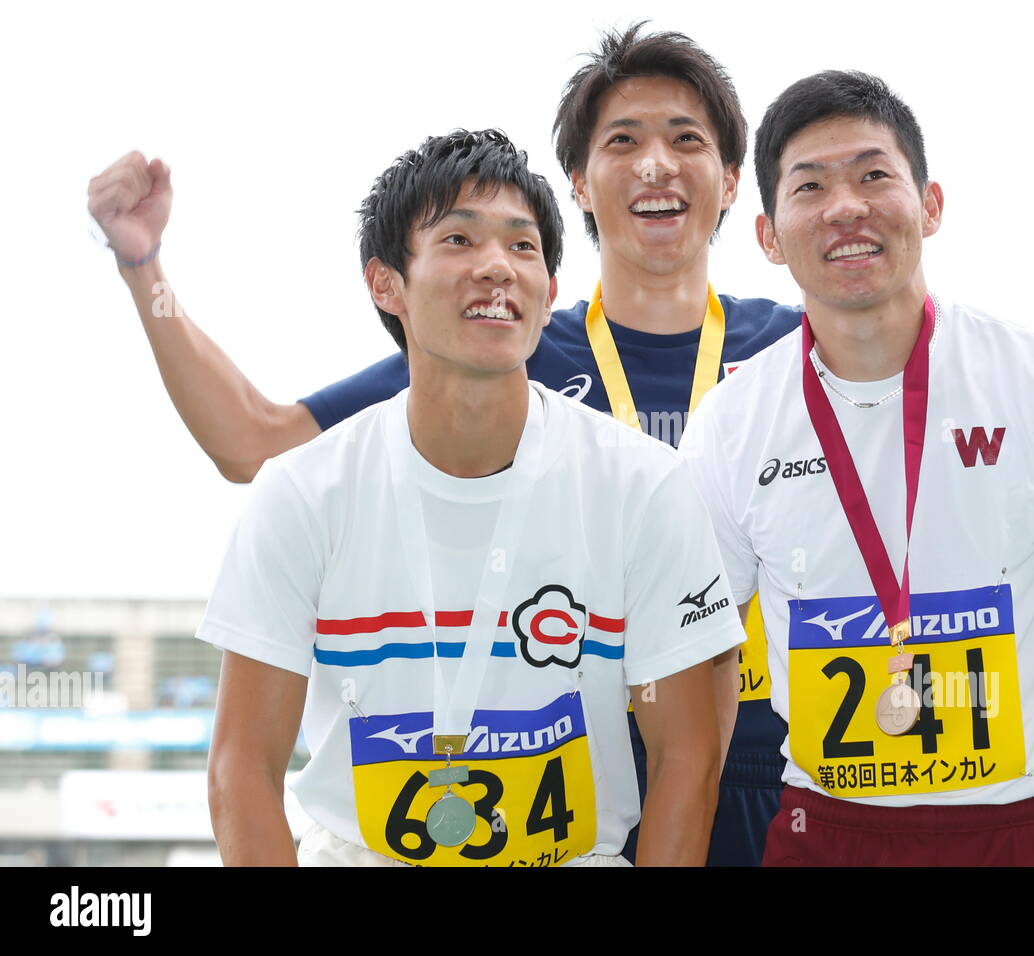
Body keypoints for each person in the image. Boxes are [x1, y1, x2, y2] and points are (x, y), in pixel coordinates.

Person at [87, 24, 1034, 866]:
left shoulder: (799, 343)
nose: (658, 163)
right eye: (622, 141)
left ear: (732, 188)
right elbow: (256, 443)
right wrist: (147, 271)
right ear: (579, 183)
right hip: (610, 752)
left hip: (778, 753)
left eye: (689, 141)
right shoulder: (499, 348)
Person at [676, 70, 1034, 866]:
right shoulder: (731, 425)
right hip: (827, 838)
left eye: (873, 175)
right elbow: (698, 667)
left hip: (1033, 835)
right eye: (810, 186)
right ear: (768, 236)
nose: (845, 206)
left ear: (931, 206)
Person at [197, 129, 746, 867]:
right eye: (458, 239)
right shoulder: (301, 493)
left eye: (523, 246)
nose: (496, 267)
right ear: (386, 283)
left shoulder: (644, 486)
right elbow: (241, 768)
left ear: (549, 294)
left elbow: (686, 756)